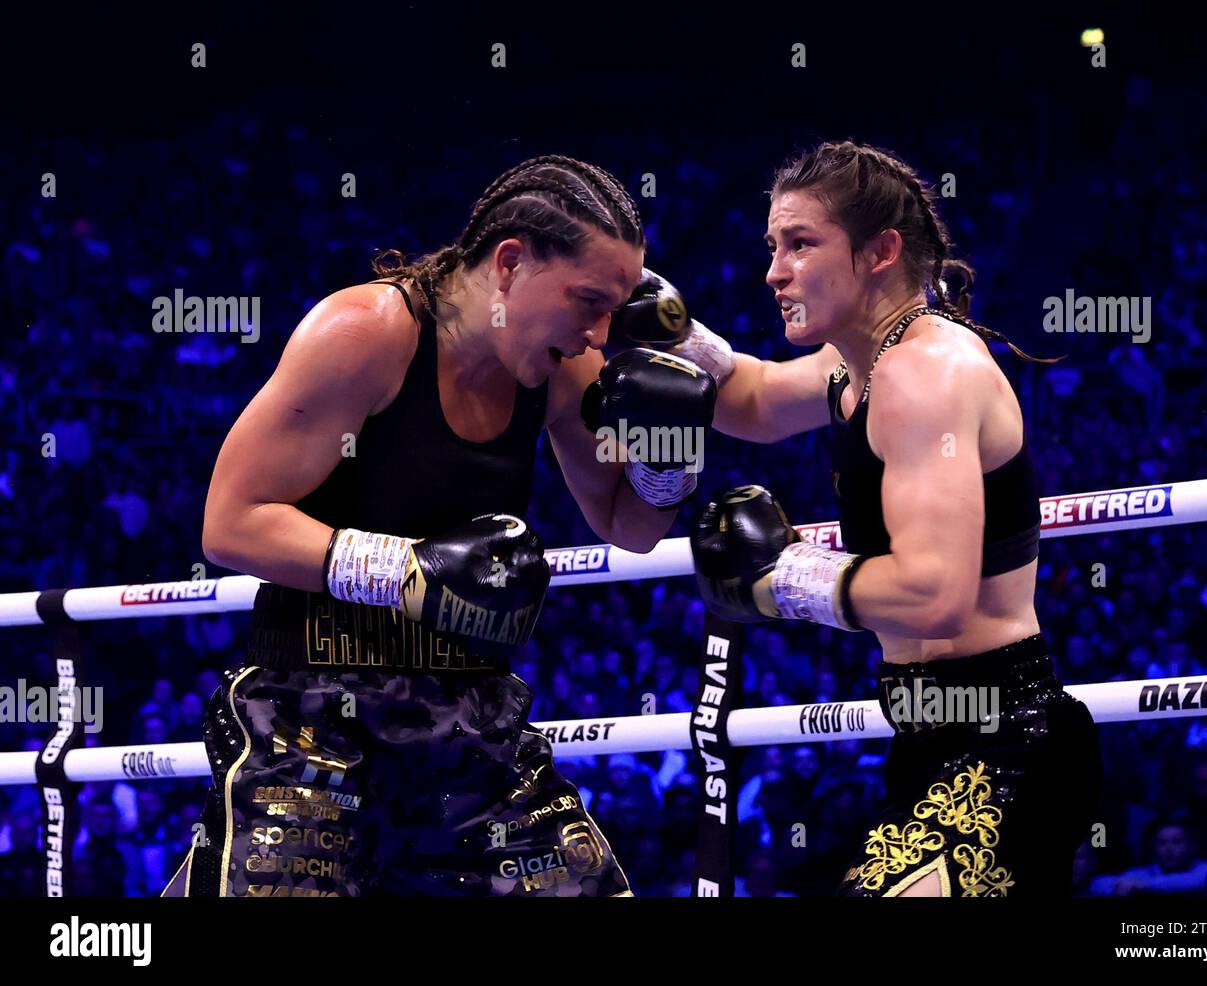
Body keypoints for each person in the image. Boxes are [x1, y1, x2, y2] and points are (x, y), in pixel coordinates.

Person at [163, 155, 716, 897]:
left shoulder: (562, 368)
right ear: (511, 262)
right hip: (311, 709)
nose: (599, 333)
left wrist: (669, 456)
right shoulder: (365, 333)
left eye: (615, 308)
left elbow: (631, 525)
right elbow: (231, 522)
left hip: (469, 717)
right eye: (588, 301)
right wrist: (410, 571)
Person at [623, 140, 1102, 896]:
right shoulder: (861, 363)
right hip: (929, 739)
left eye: (801, 244)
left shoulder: (925, 375)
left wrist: (778, 579)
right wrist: (671, 325)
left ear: (880, 251)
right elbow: (752, 398)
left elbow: (936, 595)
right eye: (772, 247)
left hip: (1008, 743)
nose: (774, 271)